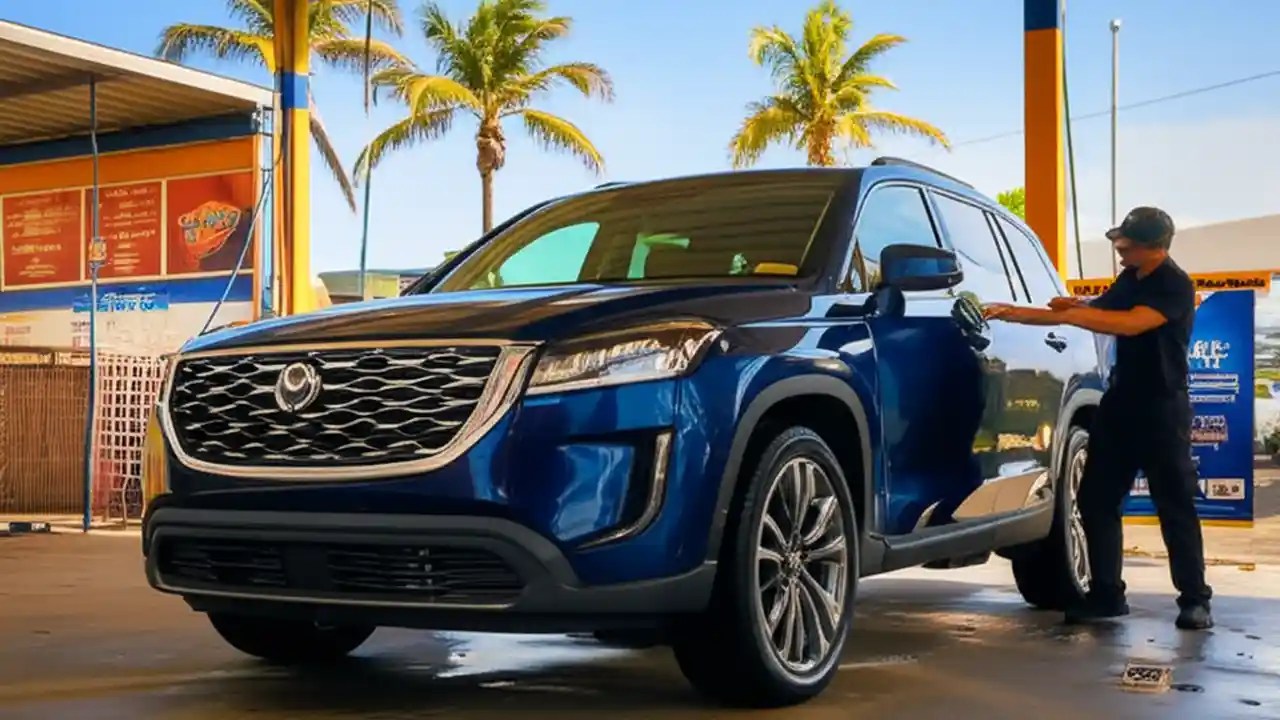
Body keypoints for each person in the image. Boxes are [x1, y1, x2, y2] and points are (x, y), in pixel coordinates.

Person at [982, 206, 1213, 630]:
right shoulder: (1131, 279)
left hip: (1162, 409)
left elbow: (1127, 324)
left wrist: (1075, 312)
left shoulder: (1174, 284)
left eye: (1126, 244)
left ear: (1153, 248)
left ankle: (1195, 600)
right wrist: (1012, 312)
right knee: (1096, 500)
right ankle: (1107, 594)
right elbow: (1091, 310)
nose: (1119, 249)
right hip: (1120, 405)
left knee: (1175, 506)